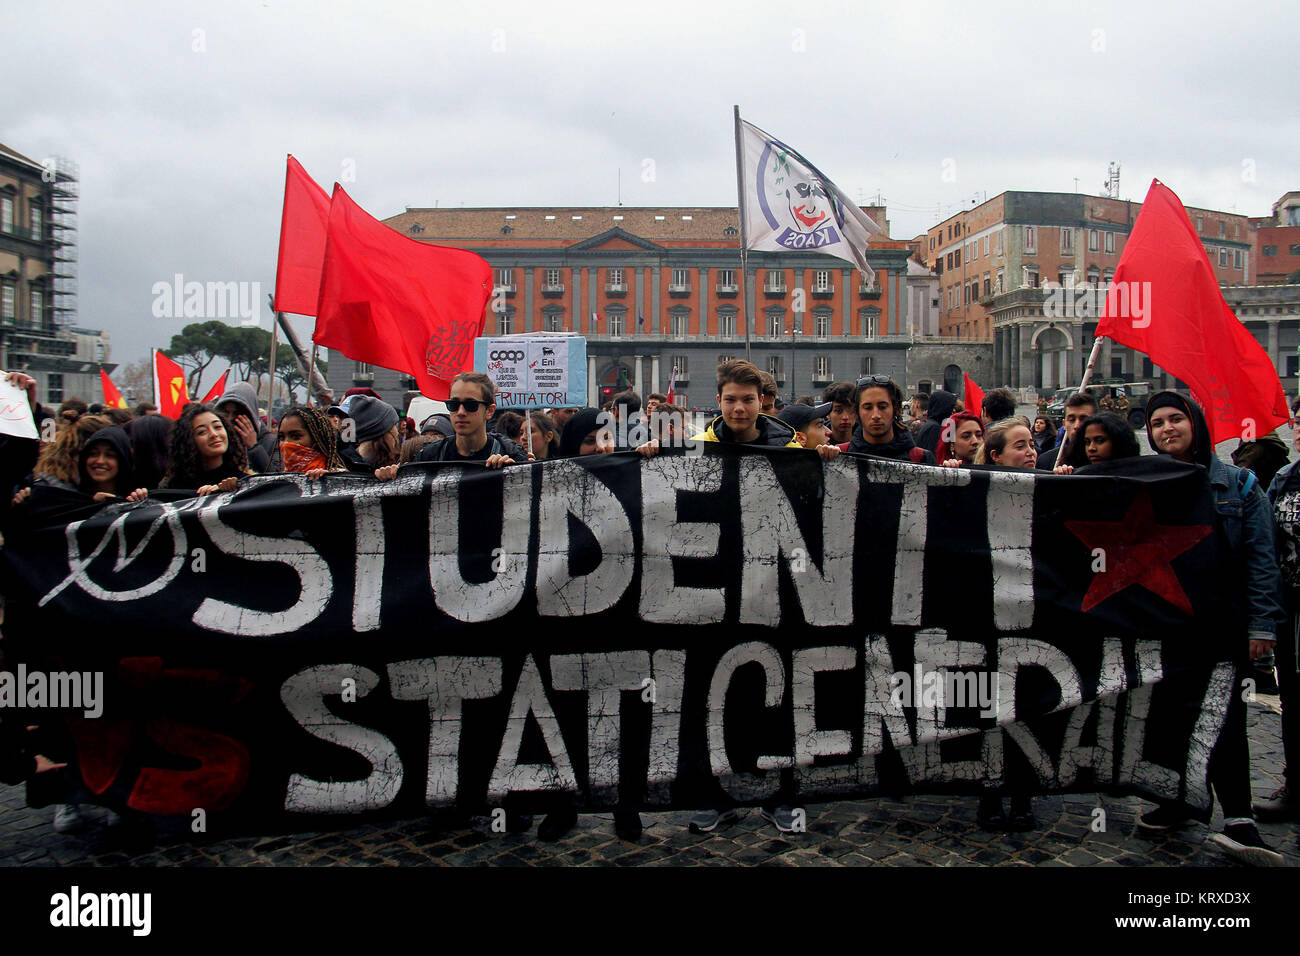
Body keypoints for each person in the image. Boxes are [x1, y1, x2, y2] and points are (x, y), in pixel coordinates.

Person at [1137, 392, 1285, 866]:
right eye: (1157, 422)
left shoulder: (1240, 486)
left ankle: (1240, 817)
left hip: (1222, 621)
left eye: (1175, 419)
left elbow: (1263, 561)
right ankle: (1178, 799)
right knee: (1168, 716)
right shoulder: (1144, 482)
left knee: (1226, 719)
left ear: (1196, 424)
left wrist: (1262, 625)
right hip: (1166, 622)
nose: (1166, 429)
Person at [1260, 398, 1300, 822]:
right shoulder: (1286, 479)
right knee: (1292, 694)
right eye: (1299, 422)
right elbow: (1268, 545)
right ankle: (1296, 783)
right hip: (1292, 605)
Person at [160, 405, 252, 495]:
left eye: (217, 427)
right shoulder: (174, 487)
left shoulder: (245, 482)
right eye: (202, 432)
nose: (214, 434)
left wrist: (233, 489)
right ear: (188, 441)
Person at [848, 375, 936, 464]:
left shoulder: (921, 458)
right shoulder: (840, 456)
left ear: (896, 408)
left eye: (882, 407)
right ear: (857, 411)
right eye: (868, 408)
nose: (876, 415)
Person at [215, 381, 279, 473]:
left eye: (237, 413)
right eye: (226, 413)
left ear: (251, 414)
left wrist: (254, 447)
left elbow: (276, 479)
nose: (230, 418)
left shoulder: (271, 442)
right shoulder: (220, 440)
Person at [1054, 413, 1140, 472]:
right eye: (1087, 442)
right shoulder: (1078, 472)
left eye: (1100, 441)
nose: (1091, 448)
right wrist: (1064, 475)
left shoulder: (1140, 474)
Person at [277, 405, 346, 475]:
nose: (285, 444)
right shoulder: (278, 479)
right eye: (281, 437)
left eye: (295, 437)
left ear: (316, 439)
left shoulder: (339, 476)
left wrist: (326, 479)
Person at [76, 426, 139, 501]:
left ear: (122, 461)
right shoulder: (71, 500)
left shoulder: (135, 499)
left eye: (110, 455)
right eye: (93, 454)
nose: (100, 461)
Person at [1037, 392, 1096, 470]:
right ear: (1064, 424)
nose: (1077, 426)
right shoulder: (1046, 461)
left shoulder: (1105, 460)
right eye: (1072, 420)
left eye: (1083, 420)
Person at [913, 389, 957, 458]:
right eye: (951, 407)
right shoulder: (934, 428)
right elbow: (933, 455)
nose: (953, 410)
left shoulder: (930, 424)